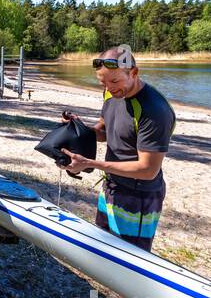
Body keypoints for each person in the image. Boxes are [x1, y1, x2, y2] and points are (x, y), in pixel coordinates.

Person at [60, 46, 176, 251]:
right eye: (103, 82)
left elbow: (148, 170)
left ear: (133, 72)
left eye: (114, 81)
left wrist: (89, 163)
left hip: (138, 197)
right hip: (111, 187)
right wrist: (79, 128)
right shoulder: (111, 94)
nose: (109, 87)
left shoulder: (154, 110)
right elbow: (105, 131)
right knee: (104, 248)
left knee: (131, 261)